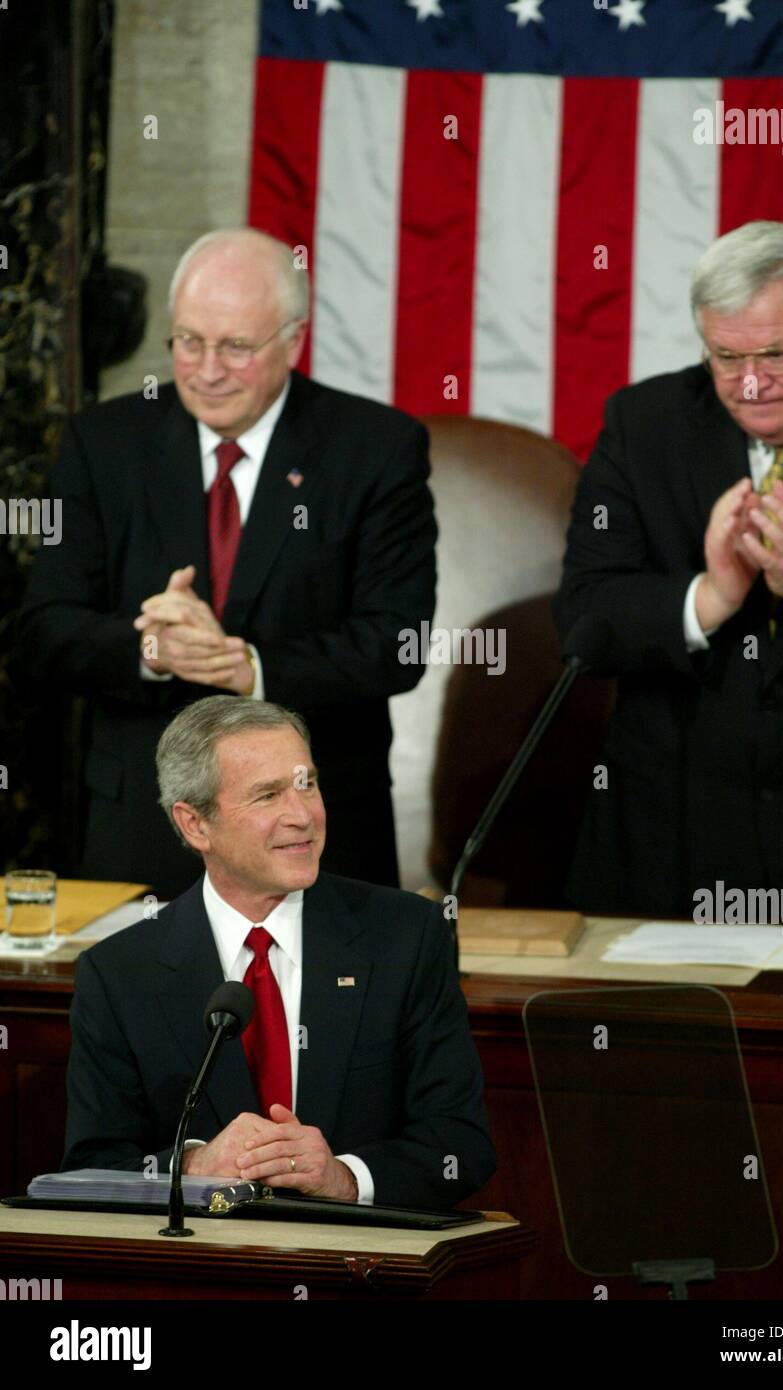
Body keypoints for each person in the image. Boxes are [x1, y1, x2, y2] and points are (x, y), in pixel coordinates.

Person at [18, 229, 436, 898]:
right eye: (188, 341)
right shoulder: (103, 444)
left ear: (293, 340)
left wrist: (247, 668)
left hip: (315, 834)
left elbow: (396, 645)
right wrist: (155, 647)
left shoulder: (376, 450)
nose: (206, 370)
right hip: (142, 831)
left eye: (236, 347)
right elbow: (44, 630)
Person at [554, 221, 783, 929]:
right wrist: (707, 598)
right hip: (674, 844)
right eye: (725, 356)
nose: (750, 384)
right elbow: (584, 620)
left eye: (774, 354)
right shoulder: (642, 423)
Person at [61, 696, 496, 1210]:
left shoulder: (408, 937)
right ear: (194, 824)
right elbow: (90, 1170)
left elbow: (460, 1146)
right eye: (267, 795)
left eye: (306, 784)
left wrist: (344, 1177)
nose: (302, 815)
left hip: (356, 1271)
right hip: (198, 1270)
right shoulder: (118, 972)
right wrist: (196, 1166)